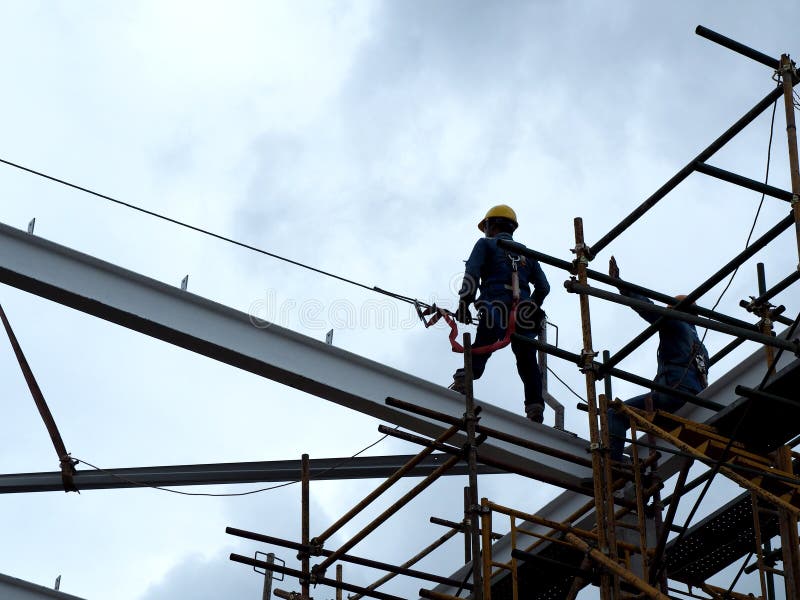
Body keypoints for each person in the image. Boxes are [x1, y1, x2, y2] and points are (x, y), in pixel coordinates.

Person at [450, 204, 550, 423]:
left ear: (491, 226)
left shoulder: (486, 244)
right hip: (523, 313)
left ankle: (465, 377)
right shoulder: (527, 254)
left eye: (486, 227)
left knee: (485, 339)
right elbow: (544, 287)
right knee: (527, 359)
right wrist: (531, 305)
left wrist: (464, 304)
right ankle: (535, 405)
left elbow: (472, 273)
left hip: (495, 305)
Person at [607, 256, 709, 461]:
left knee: (614, 414)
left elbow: (647, 307)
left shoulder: (676, 324)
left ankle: (614, 464)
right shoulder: (701, 346)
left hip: (672, 393)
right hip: (695, 395)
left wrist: (621, 285)